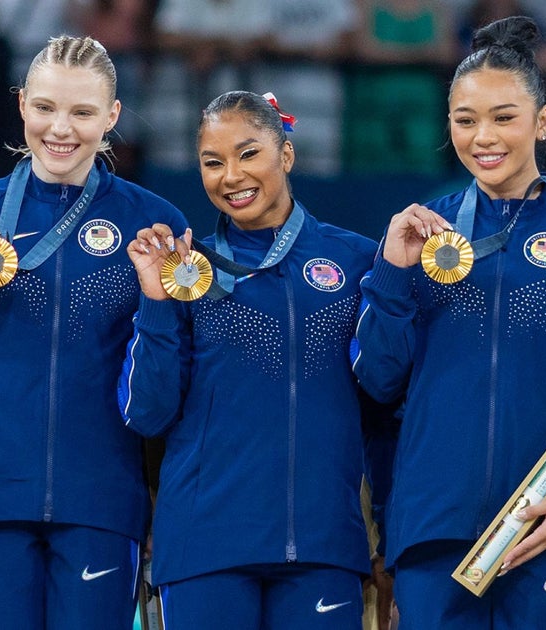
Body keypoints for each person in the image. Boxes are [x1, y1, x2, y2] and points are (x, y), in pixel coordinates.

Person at [351, 16, 546, 629]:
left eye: (503, 117)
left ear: (542, 122)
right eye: (465, 120)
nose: (482, 136)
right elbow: (378, 382)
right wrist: (390, 272)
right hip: (436, 531)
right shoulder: (418, 231)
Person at [0, 35, 187, 628]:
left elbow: (164, 399)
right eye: (45, 108)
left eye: (83, 112)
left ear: (111, 116)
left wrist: (158, 304)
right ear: (21, 105)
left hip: (103, 502)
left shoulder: (154, 224)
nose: (61, 128)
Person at [118, 90, 378, 629]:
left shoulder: (355, 260)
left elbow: (386, 400)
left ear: (286, 155)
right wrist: (157, 302)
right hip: (204, 546)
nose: (231, 176)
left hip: (322, 545)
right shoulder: (185, 270)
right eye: (213, 163)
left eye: (248, 153)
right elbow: (148, 412)